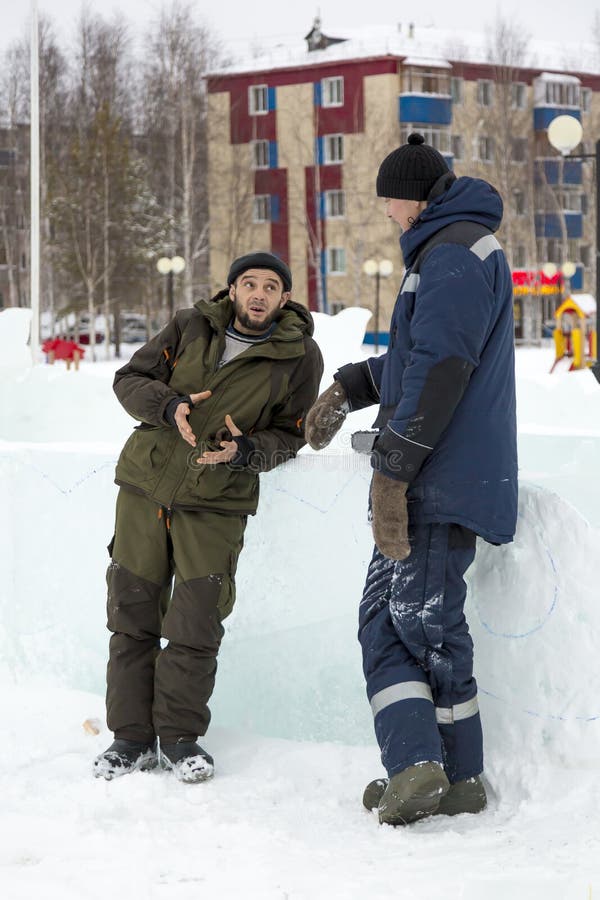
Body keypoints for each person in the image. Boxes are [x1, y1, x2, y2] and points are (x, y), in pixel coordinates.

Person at [305, 133, 517, 825]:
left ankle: (439, 774)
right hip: (437, 467)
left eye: (388, 200)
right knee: (397, 618)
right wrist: (353, 384)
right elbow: (420, 357)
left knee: (418, 621)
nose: (387, 214)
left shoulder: (452, 250)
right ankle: (435, 771)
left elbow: (443, 367)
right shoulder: (449, 247)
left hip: (438, 473)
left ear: (411, 195)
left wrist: (394, 466)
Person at [94, 251, 323, 783]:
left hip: (217, 500)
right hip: (146, 487)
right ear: (232, 290)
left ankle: (178, 739)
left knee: (196, 623)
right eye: (250, 284)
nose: (259, 294)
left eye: (271, 286)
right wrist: (169, 406)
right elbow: (130, 379)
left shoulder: (300, 355)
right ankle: (129, 739)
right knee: (132, 614)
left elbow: (294, 434)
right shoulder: (191, 323)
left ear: (284, 297)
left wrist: (246, 452)